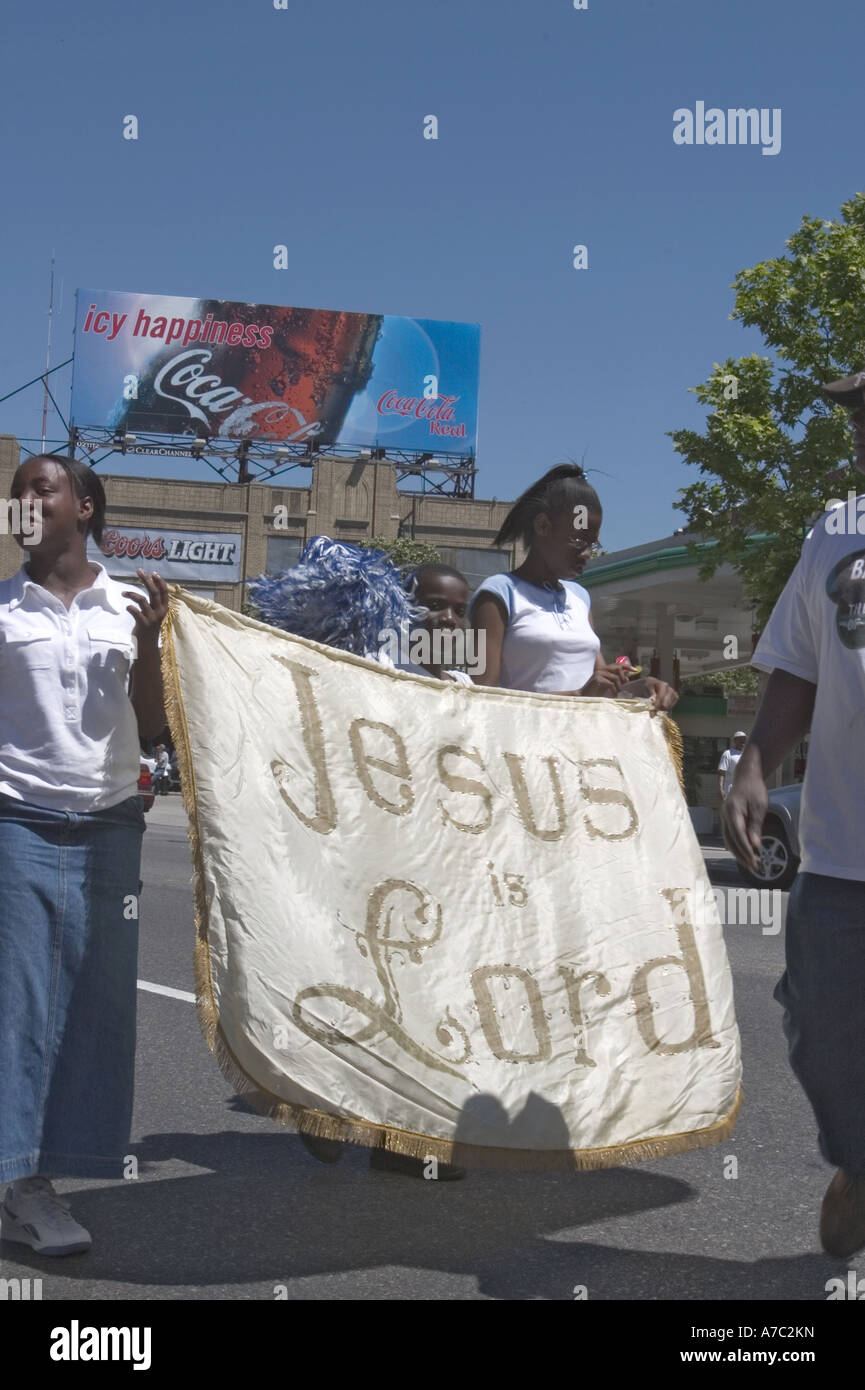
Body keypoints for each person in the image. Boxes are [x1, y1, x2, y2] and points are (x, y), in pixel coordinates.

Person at [0, 453, 168, 1255]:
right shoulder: (1, 608)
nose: (26, 499)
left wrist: (154, 645)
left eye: (43, 487)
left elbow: (158, 728)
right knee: (21, 1003)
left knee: (94, 1010)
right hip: (15, 824)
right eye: (17, 491)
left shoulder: (129, 606)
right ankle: (24, 1185)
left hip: (109, 823)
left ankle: (55, 1163)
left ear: (85, 508)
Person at [723, 370, 865, 1258]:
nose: (858, 430)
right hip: (841, 854)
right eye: (855, 416)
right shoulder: (835, 533)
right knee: (819, 1025)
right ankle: (855, 1158)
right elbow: (797, 667)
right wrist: (753, 763)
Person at [469, 464, 677, 709]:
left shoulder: (579, 597)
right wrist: (578, 696)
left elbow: (603, 688)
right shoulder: (496, 595)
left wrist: (644, 687)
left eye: (593, 543)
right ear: (543, 526)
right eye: (579, 540)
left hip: (582, 742)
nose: (587, 553)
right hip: (523, 745)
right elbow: (478, 695)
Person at [393, 562, 474, 684]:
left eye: (460, 611)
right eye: (435, 606)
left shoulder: (464, 685)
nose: (450, 618)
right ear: (406, 608)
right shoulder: (384, 677)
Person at [717, 731, 747, 802]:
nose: (743, 742)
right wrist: (720, 789)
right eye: (740, 739)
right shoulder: (728, 754)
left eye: (744, 739)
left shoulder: (747, 754)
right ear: (735, 741)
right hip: (730, 792)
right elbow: (721, 773)